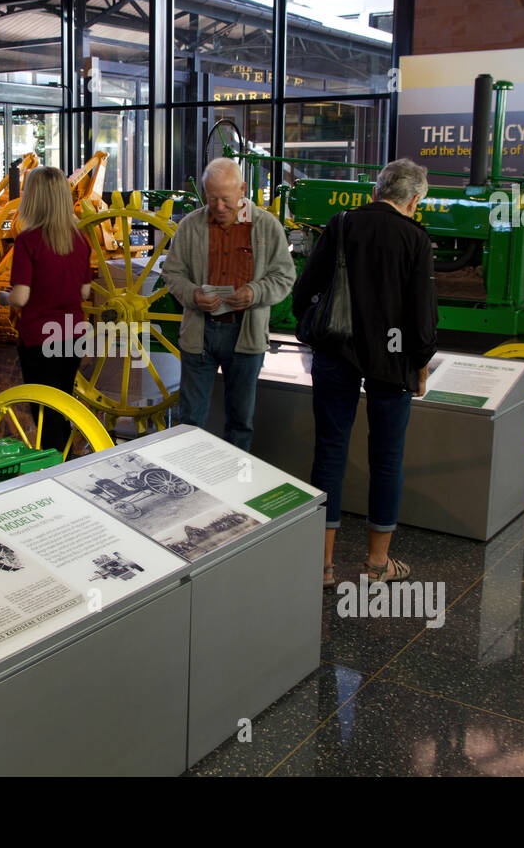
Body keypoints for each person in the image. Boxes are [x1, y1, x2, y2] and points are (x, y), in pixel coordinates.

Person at [291, 158, 437, 587]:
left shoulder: (341, 224)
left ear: (376, 191)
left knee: (329, 451)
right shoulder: (415, 237)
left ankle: (323, 566)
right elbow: (422, 314)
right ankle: (376, 564)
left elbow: (305, 291)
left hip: (337, 351)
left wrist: (318, 329)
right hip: (393, 357)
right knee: (387, 458)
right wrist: (421, 362)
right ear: (413, 199)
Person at [161, 157, 296, 451]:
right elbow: (172, 273)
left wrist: (254, 293)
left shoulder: (266, 226)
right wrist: (193, 295)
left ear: (242, 190)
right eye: (212, 199)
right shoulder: (190, 225)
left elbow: (285, 276)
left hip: (245, 336)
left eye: (226, 199)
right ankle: (189, 477)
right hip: (200, 335)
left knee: (240, 423)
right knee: (190, 422)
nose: (219, 207)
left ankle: (235, 477)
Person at [1, 166, 92, 455]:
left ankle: (57, 462)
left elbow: (21, 297)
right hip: (72, 333)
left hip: (39, 336)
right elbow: (84, 292)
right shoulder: (80, 240)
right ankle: (67, 457)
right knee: (61, 401)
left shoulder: (27, 241)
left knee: (43, 408)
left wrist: (4, 297)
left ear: (33, 199)